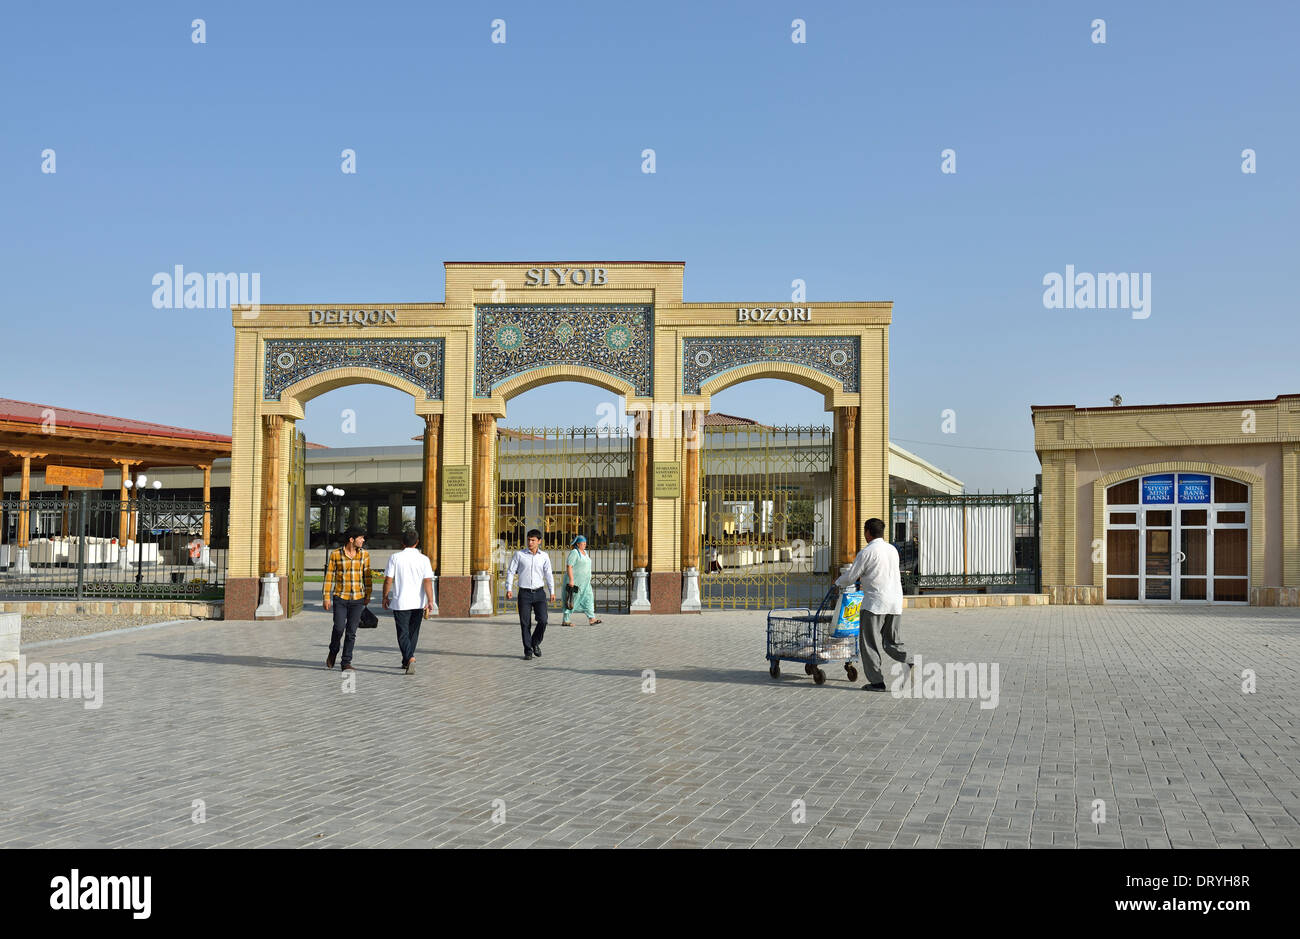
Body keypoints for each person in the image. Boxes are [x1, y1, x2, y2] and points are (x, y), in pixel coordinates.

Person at [834, 516, 912, 691]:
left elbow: (851, 576)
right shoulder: (892, 550)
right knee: (892, 640)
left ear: (867, 532)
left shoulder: (867, 552)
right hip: (895, 602)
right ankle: (909, 661)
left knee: (869, 642)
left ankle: (877, 681)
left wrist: (837, 583)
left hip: (875, 602)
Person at [383, 528, 435, 675]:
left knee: (402, 633)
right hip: (418, 602)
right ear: (417, 542)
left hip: (401, 603)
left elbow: (388, 580)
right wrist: (430, 600)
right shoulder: (424, 559)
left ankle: (409, 658)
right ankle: (406, 659)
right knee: (413, 633)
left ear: (402, 542)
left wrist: (385, 597)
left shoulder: (395, 557)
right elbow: (427, 582)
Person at [323, 526, 372, 671]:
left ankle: (346, 662)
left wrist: (368, 594)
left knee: (351, 632)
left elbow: (367, 577)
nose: (363, 540)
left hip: (357, 598)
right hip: (340, 597)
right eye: (361, 537)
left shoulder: (365, 555)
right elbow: (329, 576)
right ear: (352, 540)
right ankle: (333, 651)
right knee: (338, 628)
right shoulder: (336, 554)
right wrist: (326, 597)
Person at [505, 528, 554, 660]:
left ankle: (535, 642)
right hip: (524, 594)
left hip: (539, 593)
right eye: (528, 540)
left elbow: (548, 574)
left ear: (539, 541)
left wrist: (552, 591)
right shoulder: (519, 555)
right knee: (525, 623)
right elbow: (511, 571)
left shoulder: (544, 556)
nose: (530, 542)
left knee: (543, 620)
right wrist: (509, 588)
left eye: (533, 540)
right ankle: (528, 650)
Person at [561, 535, 601, 627]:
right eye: (583, 543)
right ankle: (566, 620)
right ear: (578, 544)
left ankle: (592, 618)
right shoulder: (574, 552)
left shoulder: (585, 553)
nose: (584, 545)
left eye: (585, 543)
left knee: (589, 598)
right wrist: (571, 580)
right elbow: (569, 566)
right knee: (571, 599)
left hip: (585, 582)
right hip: (576, 582)